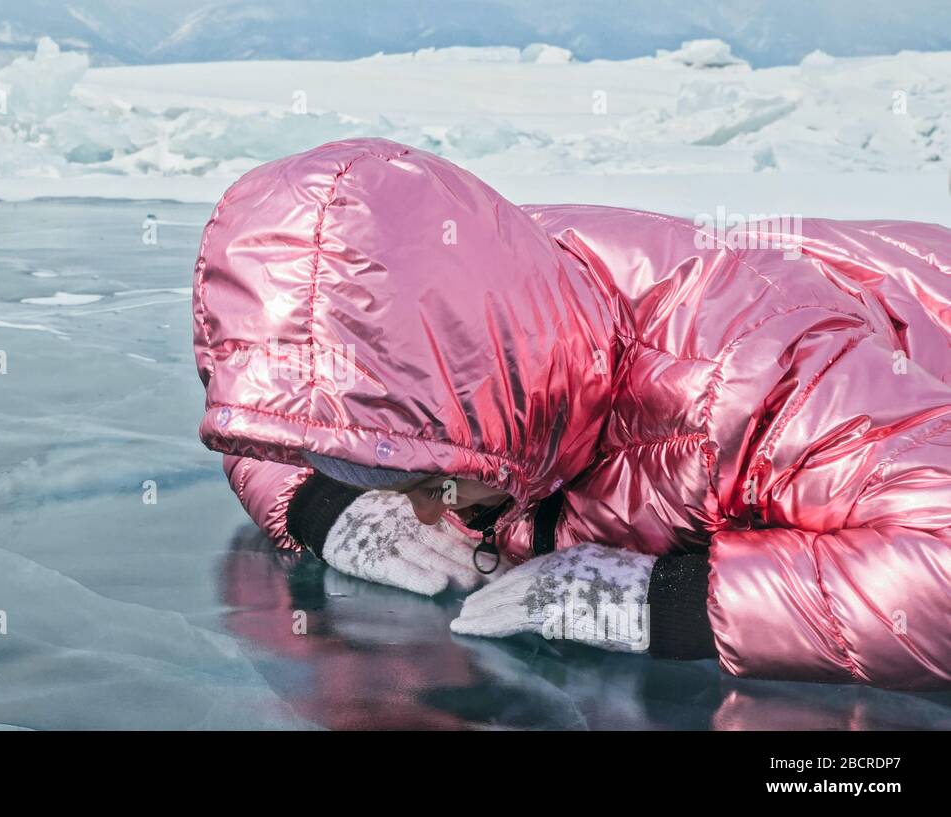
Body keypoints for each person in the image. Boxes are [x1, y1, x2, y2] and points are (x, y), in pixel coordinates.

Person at [192, 138, 951, 689]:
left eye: (426, 480)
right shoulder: (445, 286)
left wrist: (671, 600)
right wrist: (326, 505)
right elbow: (277, 417)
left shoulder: (756, 368)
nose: (423, 517)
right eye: (387, 476)